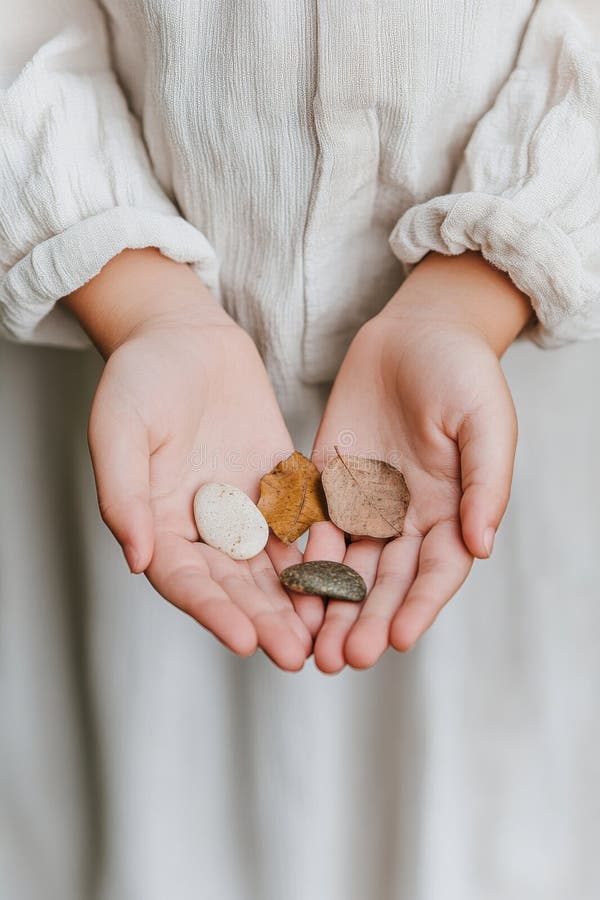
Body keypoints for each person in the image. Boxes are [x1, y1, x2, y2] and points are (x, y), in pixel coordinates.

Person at [2, 1, 600, 897]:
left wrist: (474, 295)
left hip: (498, 392)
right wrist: (137, 298)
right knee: (153, 813)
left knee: (480, 823)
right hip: (115, 373)